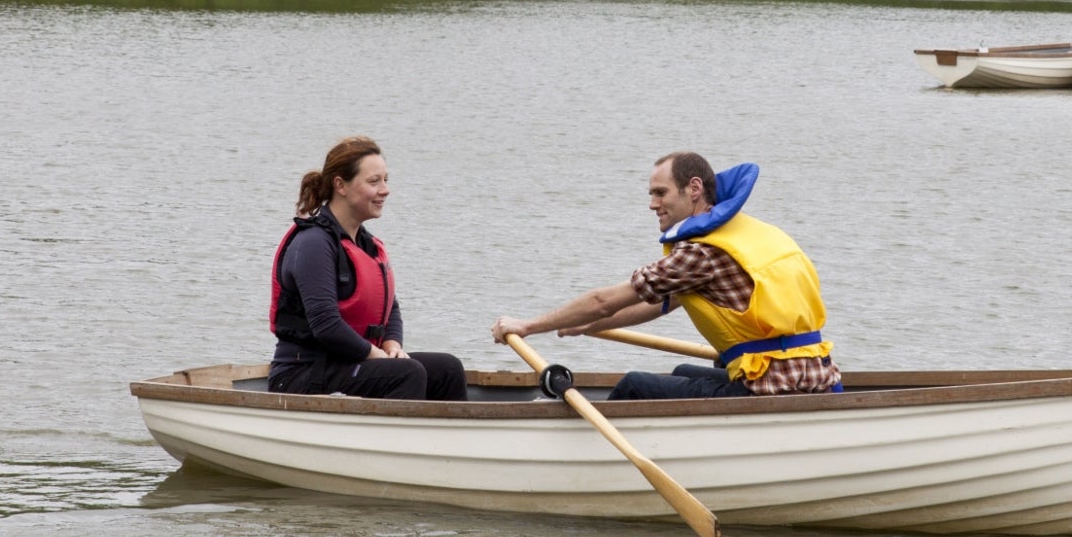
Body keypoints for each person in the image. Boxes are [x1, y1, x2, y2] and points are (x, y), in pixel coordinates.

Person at [491, 152, 841, 400]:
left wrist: (527, 326)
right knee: (682, 375)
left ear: (693, 189)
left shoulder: (700, 253)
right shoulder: (748, 232)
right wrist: (588, 326)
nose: (652, 204)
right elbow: (661, 303)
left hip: (771, 387)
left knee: (635, 384)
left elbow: (603, 301)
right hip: (815, 374)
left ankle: (594, 457)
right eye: (651, 195)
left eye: (661, 193)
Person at [269, 135, 466, 401]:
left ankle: (444, 442)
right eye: (374, 182)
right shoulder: (313, 244)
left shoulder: (367, 244)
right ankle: (396, 442)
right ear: (341, 185)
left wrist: (392, 346)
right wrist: (378, 357)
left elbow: (390, 309)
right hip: (303, 374)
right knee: (407, 373)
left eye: (386, 180)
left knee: (447, 368)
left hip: (350, 364)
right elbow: (326, 325)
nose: (385, 190)